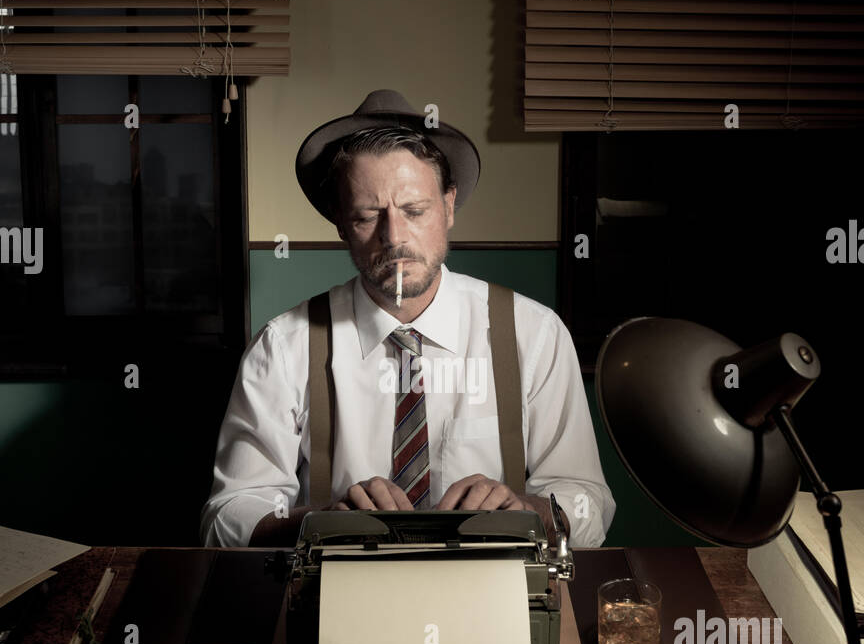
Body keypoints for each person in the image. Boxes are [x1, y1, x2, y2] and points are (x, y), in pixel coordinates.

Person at [200, 90, 615, 548]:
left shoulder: (534, 334)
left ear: (448, 207)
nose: (394, 237)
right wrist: (318, 521)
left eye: (414, 211)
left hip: (493, 593)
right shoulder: (284, 345)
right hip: (337, 595)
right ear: (340, 225)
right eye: (366, 216)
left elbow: (588, 504)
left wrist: (531, 511)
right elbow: (226, 518)